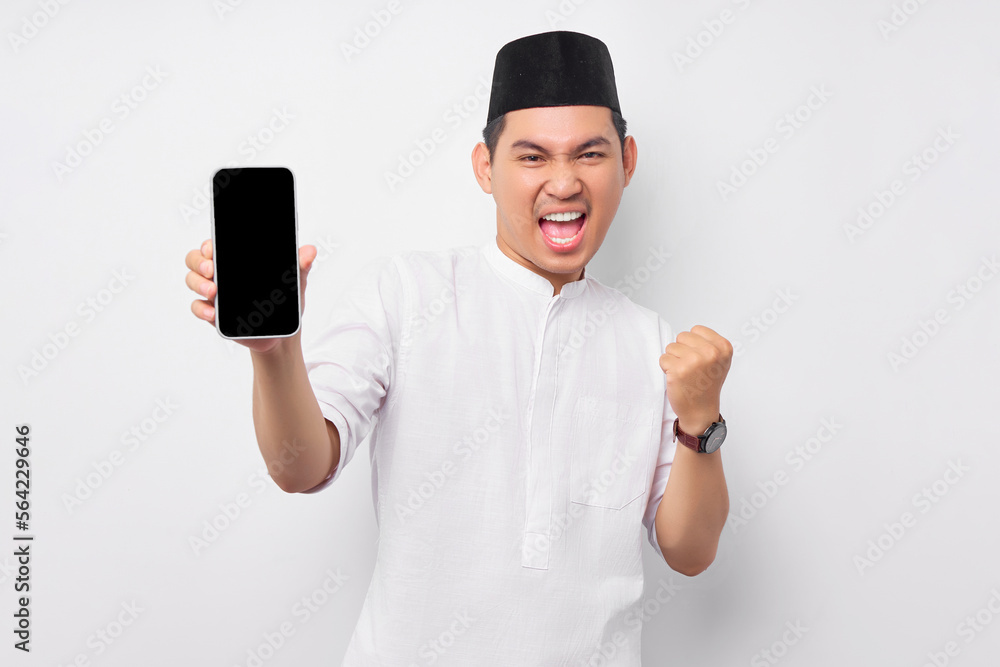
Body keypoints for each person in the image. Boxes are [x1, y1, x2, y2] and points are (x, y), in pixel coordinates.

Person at [185, 30, 732, 666]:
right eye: (532, 158)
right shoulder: (405, 293)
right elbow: (300, 466)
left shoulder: (654, 342)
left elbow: (690, 553)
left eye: (590, 154)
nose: (563, 182)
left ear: (627, 161)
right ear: (484, 168)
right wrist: (273, 350)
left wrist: (701, 421)